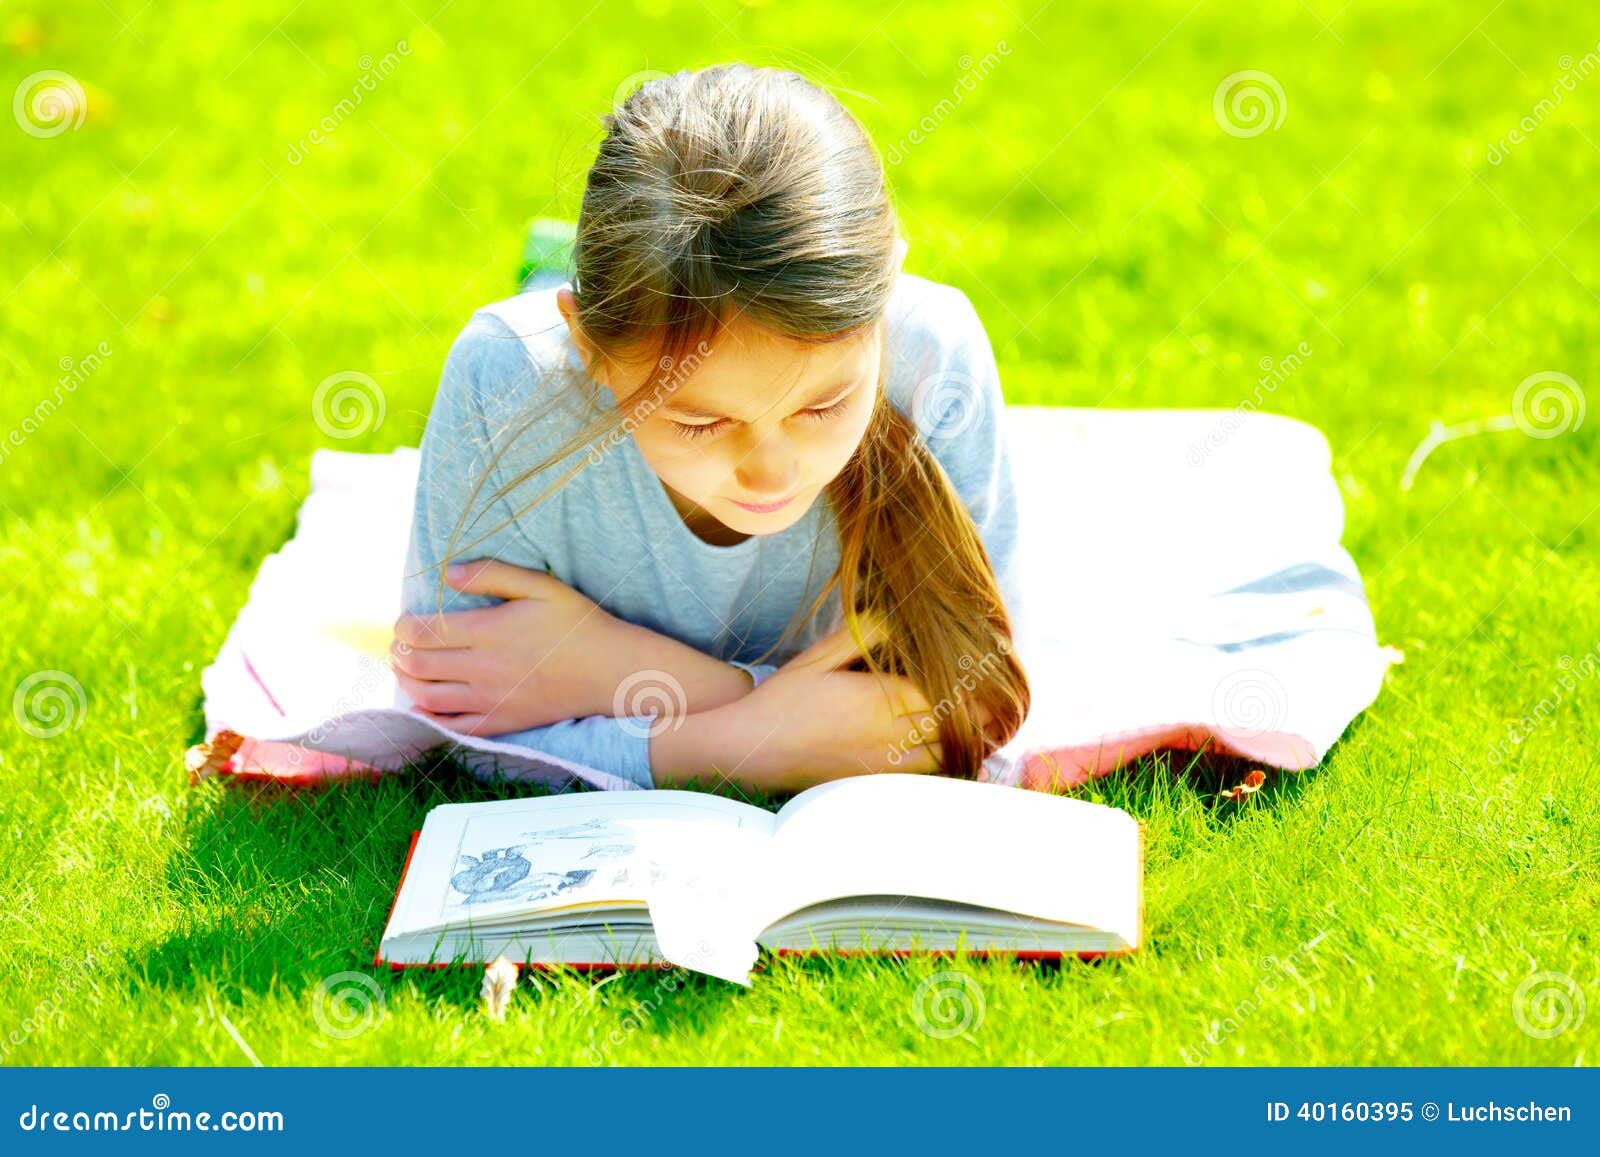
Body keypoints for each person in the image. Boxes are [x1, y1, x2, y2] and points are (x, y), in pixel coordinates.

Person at [391, 63, 1029, 794]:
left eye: (824, 405)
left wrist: (631, 676)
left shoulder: (930, 356)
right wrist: (786, 724)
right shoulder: (505, 382)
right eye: (701, 420)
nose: (772, 473)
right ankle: (546, 267)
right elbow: (452, 721)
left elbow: (980, 709)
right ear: (589, 347)